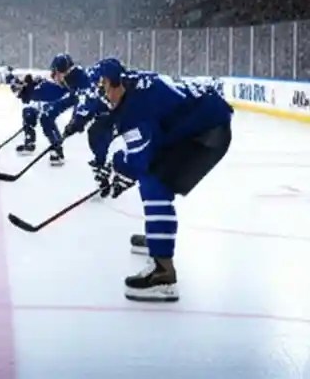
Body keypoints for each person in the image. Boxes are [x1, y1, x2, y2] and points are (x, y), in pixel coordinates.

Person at [90, 58, 233, 302]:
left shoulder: (137, 109)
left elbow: (140, 159)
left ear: (116, 84)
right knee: (151, 174)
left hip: (207, 134)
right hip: (195, 124)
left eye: (104, 88)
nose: (103, 96)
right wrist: (119, 169)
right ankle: (159, 237)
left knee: (154, 181)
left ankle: (163, 273)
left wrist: (120, 170)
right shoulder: (132, 85)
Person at [37, 53, 100, 166]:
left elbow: (83, 101)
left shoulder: (81, 81)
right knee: (46, 115)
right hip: (74, 96)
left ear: (61, 71)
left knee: (97, 131)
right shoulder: (68, 79)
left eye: (54, 72)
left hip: (96, 107)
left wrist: (75, 121)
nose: (53, 76)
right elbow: (56, 92)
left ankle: (105, 161)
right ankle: (56, 147)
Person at [10, 71, 67, 156]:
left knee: (46, 120)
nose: (17, 93)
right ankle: (29, 142)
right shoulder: (29, 92)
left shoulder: (37, 88)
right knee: (28, 114)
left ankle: (57, 148)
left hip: (60, 99)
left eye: (17, 89)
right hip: (49, 99)